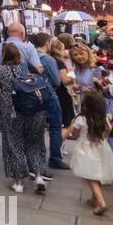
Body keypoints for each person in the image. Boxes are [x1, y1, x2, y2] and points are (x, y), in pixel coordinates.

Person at [0, 44, 48, 194]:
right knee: (34, 143)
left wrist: (3, 90)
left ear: (3, 55)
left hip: (11, 113)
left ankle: (18, 183)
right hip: (34, 111)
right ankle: (38, 177)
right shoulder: (27, 66)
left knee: (14, 144)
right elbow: (39, 80)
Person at [65, 89, 113, 215]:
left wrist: (73, 126)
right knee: (97, 173)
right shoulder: (104, 118)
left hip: (86, 150)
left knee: (90, 177)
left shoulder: (82, 119)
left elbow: (75, 134)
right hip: (102, 148)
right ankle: (95, 199)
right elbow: (108, 131)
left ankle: (101, 202)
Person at [31, 32, 65, 172]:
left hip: (32, 96)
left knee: (36, 128)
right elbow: (57, 81)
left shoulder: (30, 56)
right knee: (55, 127)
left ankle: (36, 158)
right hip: (49, 95)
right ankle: (55, 159)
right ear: (47, 43)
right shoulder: (49, 59)